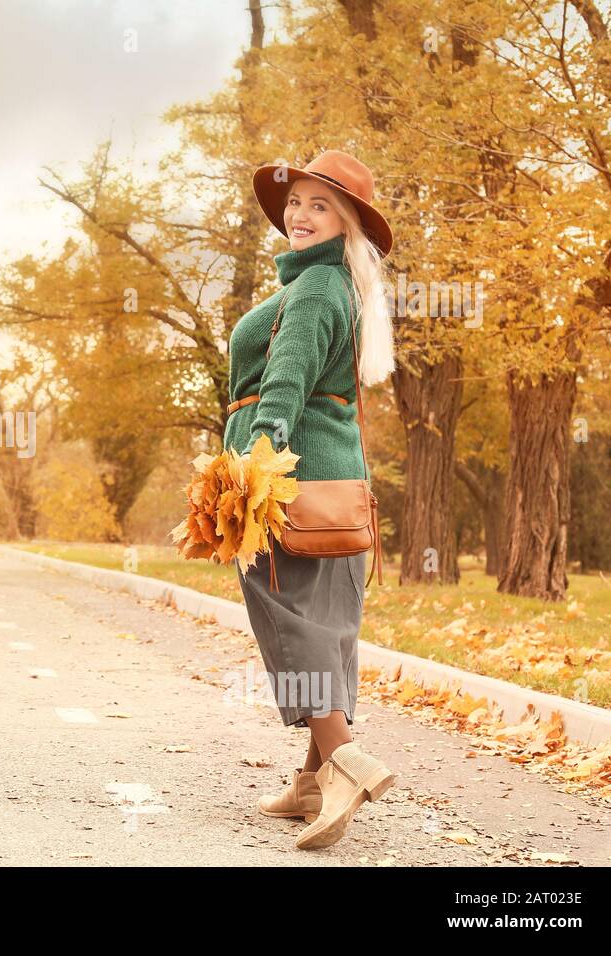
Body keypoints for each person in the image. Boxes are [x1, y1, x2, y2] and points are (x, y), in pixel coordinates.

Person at [225, 149, 398, 850]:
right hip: (336, 481)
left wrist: (260, 453)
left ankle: (347, 761)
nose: (299, 214)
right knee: (325, 623)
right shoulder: (336, 284)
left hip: (289, 480)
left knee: (288, 620)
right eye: (295, 201)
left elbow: (285, 382)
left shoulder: (316, 289)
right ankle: (310, 782)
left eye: (318, 205)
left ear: (346, 223)